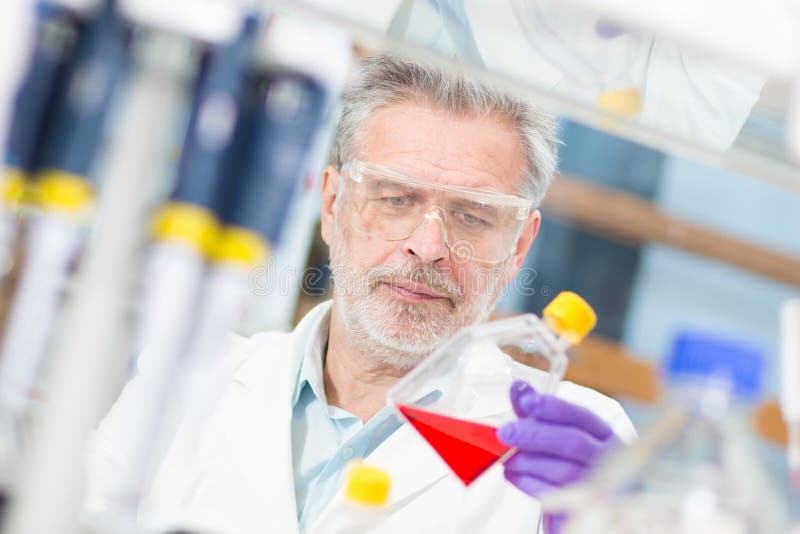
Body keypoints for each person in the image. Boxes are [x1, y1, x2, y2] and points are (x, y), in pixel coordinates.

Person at [86, 54, 636, 534]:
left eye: (472, 216)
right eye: (396, 198)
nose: (428, 247)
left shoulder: (571, 445)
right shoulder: (184, 381)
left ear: (519, 247)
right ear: (332, 205)